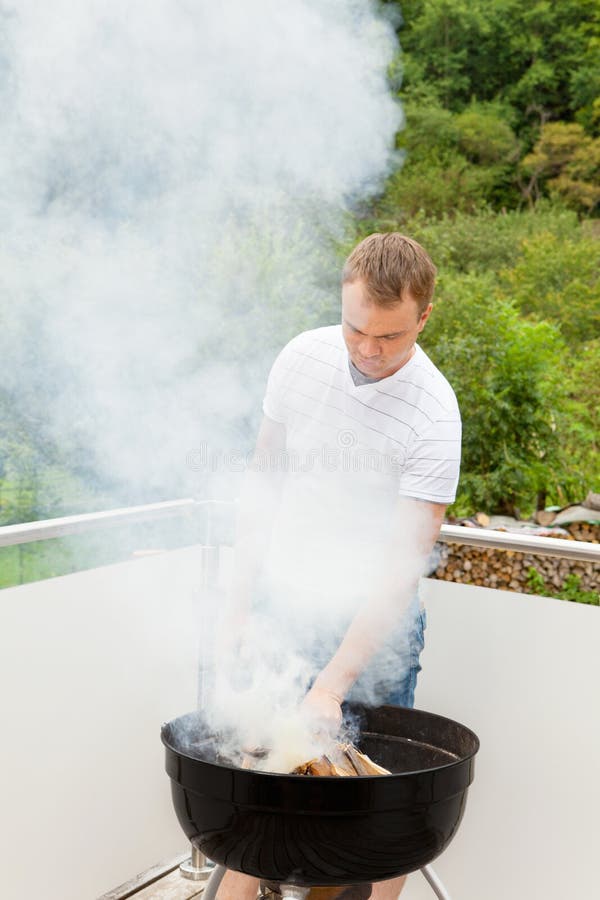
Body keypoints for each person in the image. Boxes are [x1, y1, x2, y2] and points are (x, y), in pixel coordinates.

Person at [216, 233, 461, 899]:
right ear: (342, 302)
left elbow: (400, 565)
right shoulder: (301, 358)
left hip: (374, 625)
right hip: (289, 599)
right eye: (357, 329)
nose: (369, 351)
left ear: (424, 318)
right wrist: (237, 609)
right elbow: (261, 489)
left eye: (390, 336)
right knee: (263, 780)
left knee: (380, 807)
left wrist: (332, 683)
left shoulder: (434, 413)